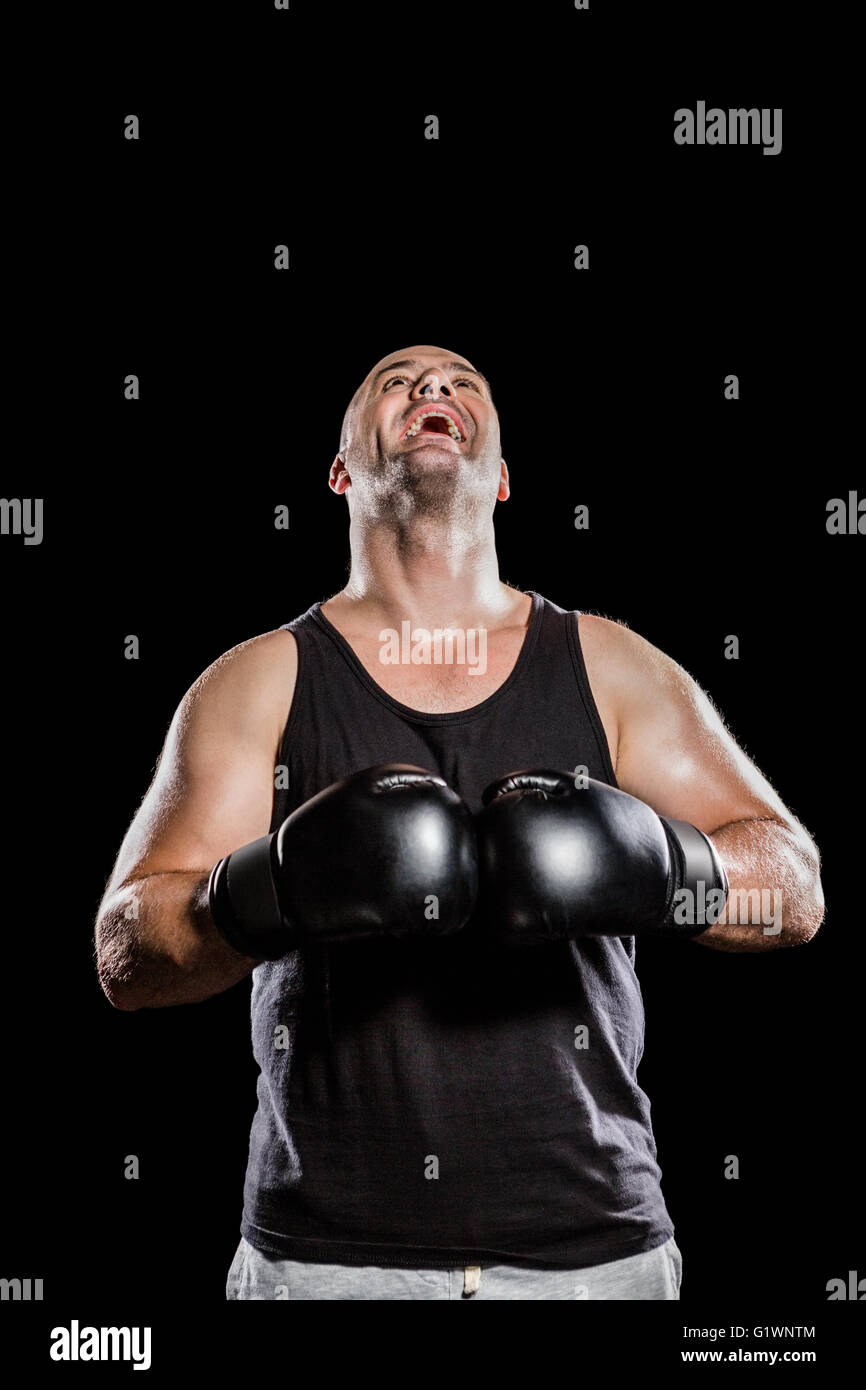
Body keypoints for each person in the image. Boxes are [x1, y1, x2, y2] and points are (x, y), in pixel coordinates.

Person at [95, 345, 824, 1301]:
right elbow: (125, 954)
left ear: (506, 479)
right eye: (396, 380)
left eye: (461, 381)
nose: (432, 388)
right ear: (341, 471)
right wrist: (268, 890)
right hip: (325, 1261)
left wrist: (662, 867)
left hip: (594, 1253)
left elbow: (796, 887)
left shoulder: (610, 665)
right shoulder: (256, 684)